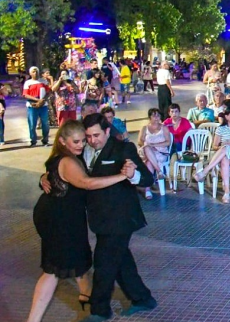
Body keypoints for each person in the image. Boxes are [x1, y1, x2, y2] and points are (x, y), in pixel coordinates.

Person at [27, 121, 133, 322]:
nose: (81, 144)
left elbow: (51, 176)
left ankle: (87, 298)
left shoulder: (66, 156)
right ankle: (33, 319)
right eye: (76, 141)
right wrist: (121, 176)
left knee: (79, 258)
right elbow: (86, 183)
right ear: (62, 141)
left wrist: (43, 178)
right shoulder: (68, 161)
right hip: (59, 219)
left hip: (67, 216)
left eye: (83, 140)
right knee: (53, 270)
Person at [78, 113, 156, 319]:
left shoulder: (123, 149)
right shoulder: (83, 151)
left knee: (103, 263)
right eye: (88, 136)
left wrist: (133, 175)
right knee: (121, 261)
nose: (92, 140)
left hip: (121, 218)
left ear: (106, 131)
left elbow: (148, 178)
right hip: (100, 218)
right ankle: (143, 298)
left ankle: (99, 311)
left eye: (96, 135)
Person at [193, 107, 230, 204]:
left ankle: (205, 171)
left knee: (226, 148)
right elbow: (215, 146)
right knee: (224, 158)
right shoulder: (220, 129)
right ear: (226, 116)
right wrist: (225, 144)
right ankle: (227, 192)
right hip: (225, 154)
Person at [137, 109, 172, 199]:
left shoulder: (164, 128)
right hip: (148, 151)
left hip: (161, 152)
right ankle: (159, 171)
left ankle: (147, 190)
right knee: (147, 149)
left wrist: (154, 145)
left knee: (149, 162)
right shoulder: (144, 128)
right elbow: (140, 141)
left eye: (158, 116)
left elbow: (168, 142)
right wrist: (147, 145)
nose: (156, 118)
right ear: (150, 117)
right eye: (154, 116)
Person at [24, 66, 51, 147]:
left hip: (43, 106)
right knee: (32, 124)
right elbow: (25, 95)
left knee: (45, 124)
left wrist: (43, 100)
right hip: (32, 106)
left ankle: (45, 140)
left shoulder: (43, 81)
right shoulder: (28, 83)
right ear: (30, 73)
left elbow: (49, 92)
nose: (35, 73)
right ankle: (33, 140)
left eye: (36, 71)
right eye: (33, 71)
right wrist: (37, 100)